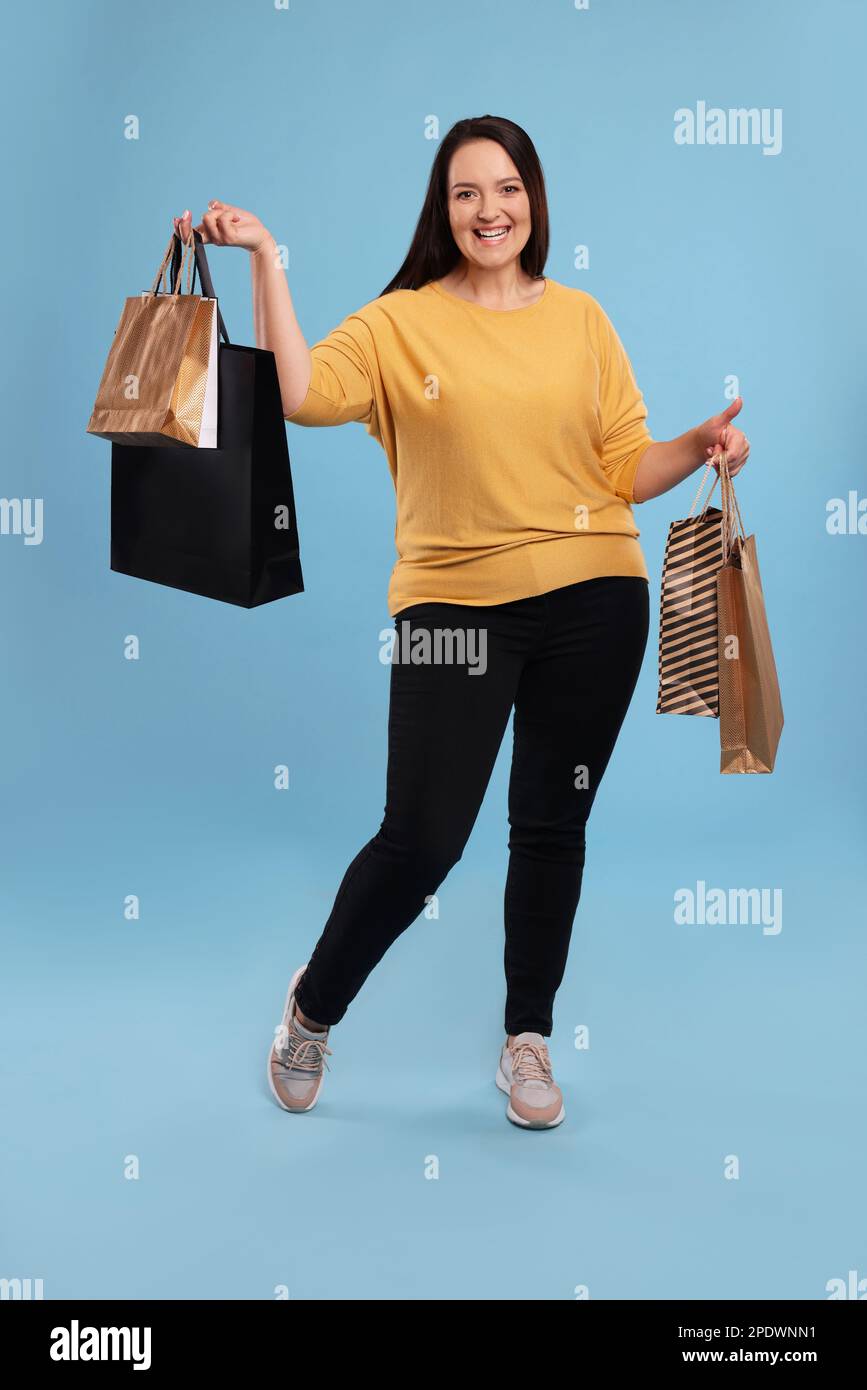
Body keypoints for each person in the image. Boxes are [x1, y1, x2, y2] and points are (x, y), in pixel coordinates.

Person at [174, 114, 749, 1131]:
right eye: (467, 193)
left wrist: (697, 443)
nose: (490, 210)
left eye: (508, 189)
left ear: (535, 199)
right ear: (444, 211)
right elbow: (300, 394)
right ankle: (312, 1009)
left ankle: (527, 1040)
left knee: (550, 822)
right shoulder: (401, 324)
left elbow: (623, 467)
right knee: (424, 837)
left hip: (597, 599)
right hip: (455, 611)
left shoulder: (582, 320)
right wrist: (266, 256)